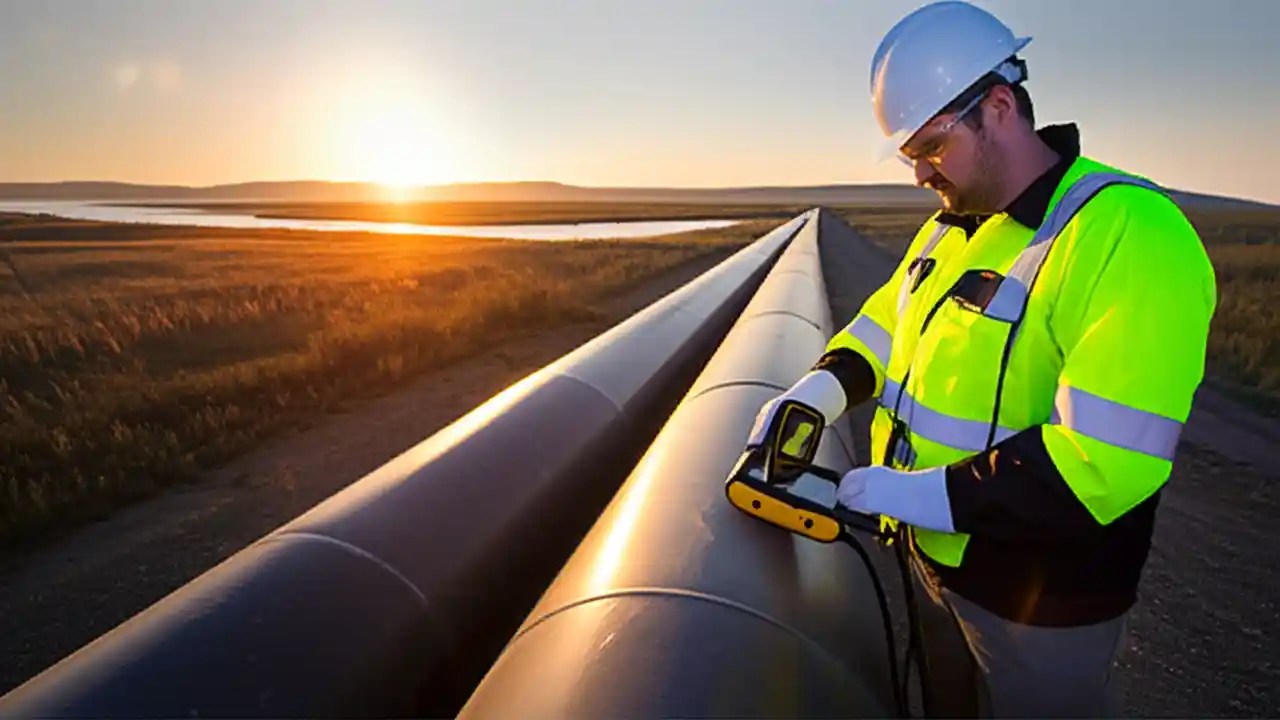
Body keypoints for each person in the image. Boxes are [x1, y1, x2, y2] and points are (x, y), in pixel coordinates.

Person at [747, 1, 1216, 716]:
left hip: (1040, 602)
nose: (919, 177)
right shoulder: (954, 229)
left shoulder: (1132, 234)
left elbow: (1105, 461)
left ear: (998, 107)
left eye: (931, 147)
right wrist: (822, 388)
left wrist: (912, 495)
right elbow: (886, 322)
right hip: (932, 558)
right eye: (910, 157)